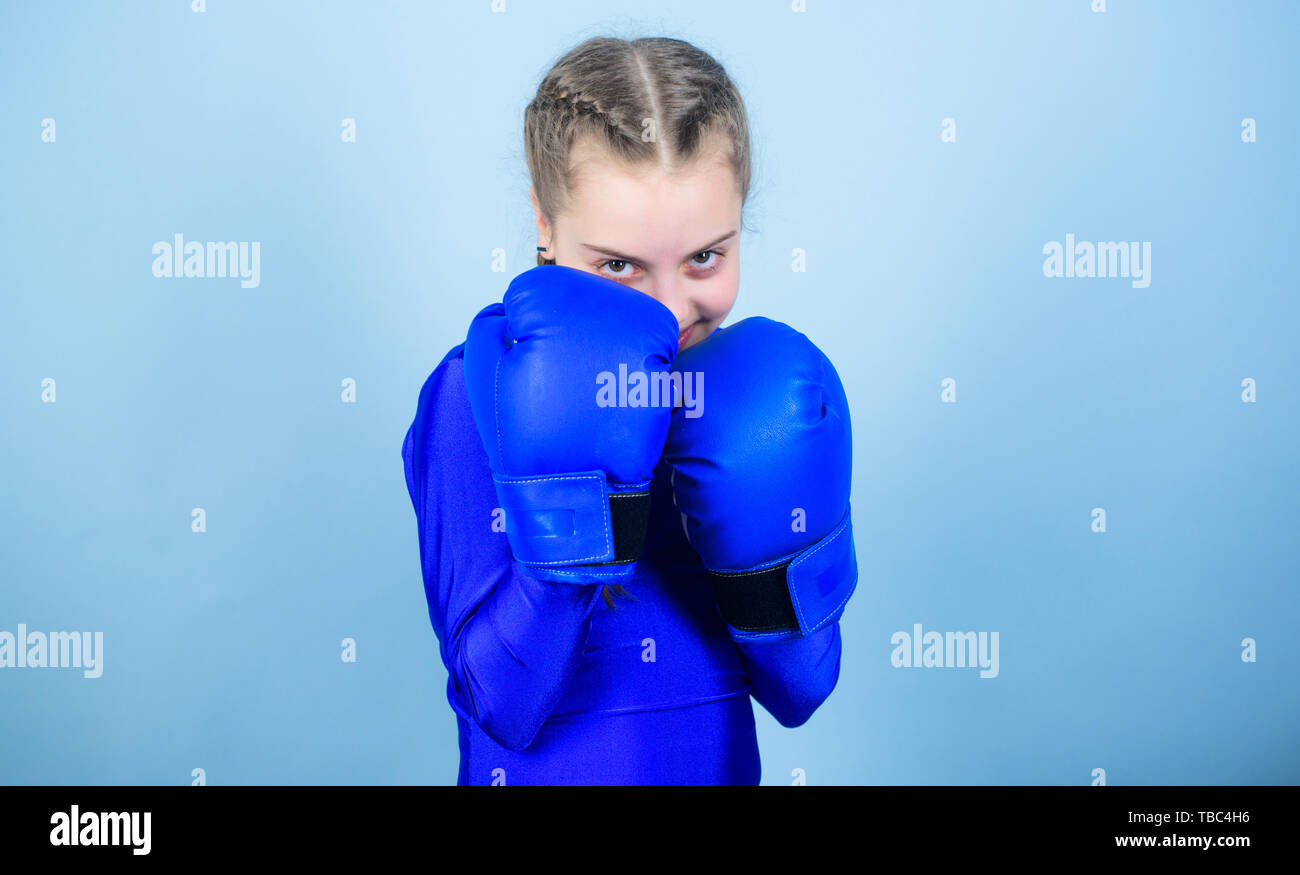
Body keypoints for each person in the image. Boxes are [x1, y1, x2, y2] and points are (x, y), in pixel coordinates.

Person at [401, 36, 857, 785]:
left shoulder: (760, 402)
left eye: (705, 257)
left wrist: (769, 564)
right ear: (544, 225)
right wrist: (577, 519)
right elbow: (501, 703)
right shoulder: (474, 395)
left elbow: (801, 690)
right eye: (619, 265)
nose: (671, 310)